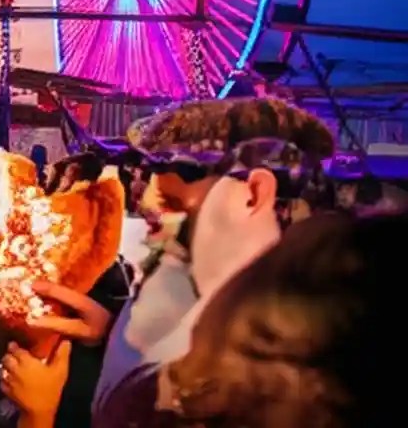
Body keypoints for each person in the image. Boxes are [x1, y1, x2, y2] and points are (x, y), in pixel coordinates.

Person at [93, 97, 335, 412]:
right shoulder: (176, 287)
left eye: (173, 204)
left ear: (253, 195)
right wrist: (108, 336)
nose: (147, 204)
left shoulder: (277, 369)